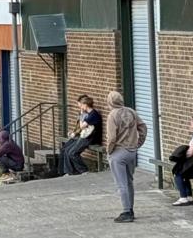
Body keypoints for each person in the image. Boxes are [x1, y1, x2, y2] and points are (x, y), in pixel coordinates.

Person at [105, 90, 147, 223]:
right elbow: (143, 127)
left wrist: (109, 151)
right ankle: (131, 209)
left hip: (118, 151)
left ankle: (126, 211)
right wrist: (138, 143)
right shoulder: (131, 111)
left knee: (121, 183)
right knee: (129, 182)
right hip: (131, 151)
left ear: (110, 102)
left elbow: (111, 137)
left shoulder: (112, 115)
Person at [60, 95, 103, 175]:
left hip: (89, 138)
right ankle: (70, 171)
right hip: (84, 137)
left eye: (81, 105)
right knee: (68, 150)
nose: (80, 107)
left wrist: (81, 114)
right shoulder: (90, 114)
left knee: (73, 153)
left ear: (85, 105)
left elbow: (81, 126)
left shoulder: (93, 115)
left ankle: (84, 170)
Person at [169, 110, 193, 207]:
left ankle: (183, 198)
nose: (191, 124)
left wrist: (180, 156)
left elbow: (191, 152)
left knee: (178, 173)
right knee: (185, 174)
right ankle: (189, 197)